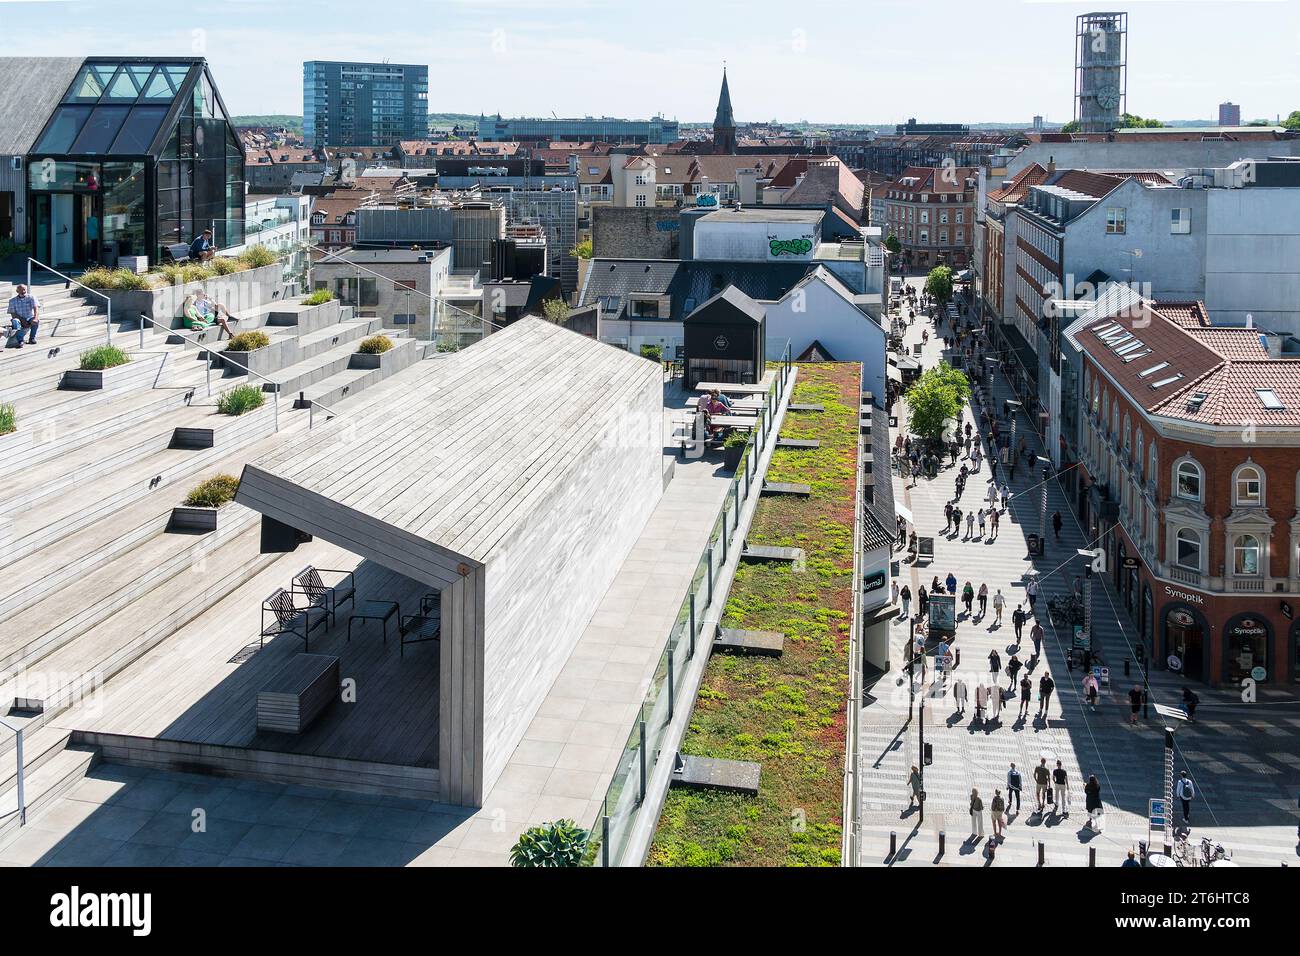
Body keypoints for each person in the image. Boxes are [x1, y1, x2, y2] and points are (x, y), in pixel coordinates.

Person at [6, 283, 40, 348]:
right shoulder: (12, 301)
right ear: (17, 291)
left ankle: (32, 338)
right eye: (21, 290)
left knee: (36, 321)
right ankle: (20, 341)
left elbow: (36, 308)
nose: (23, 291)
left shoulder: (31, 297)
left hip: (29, 317)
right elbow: (13, 314)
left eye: (24, 289)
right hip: (18, 318)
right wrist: (22, 320)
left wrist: (35, 318)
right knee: (15, 321)